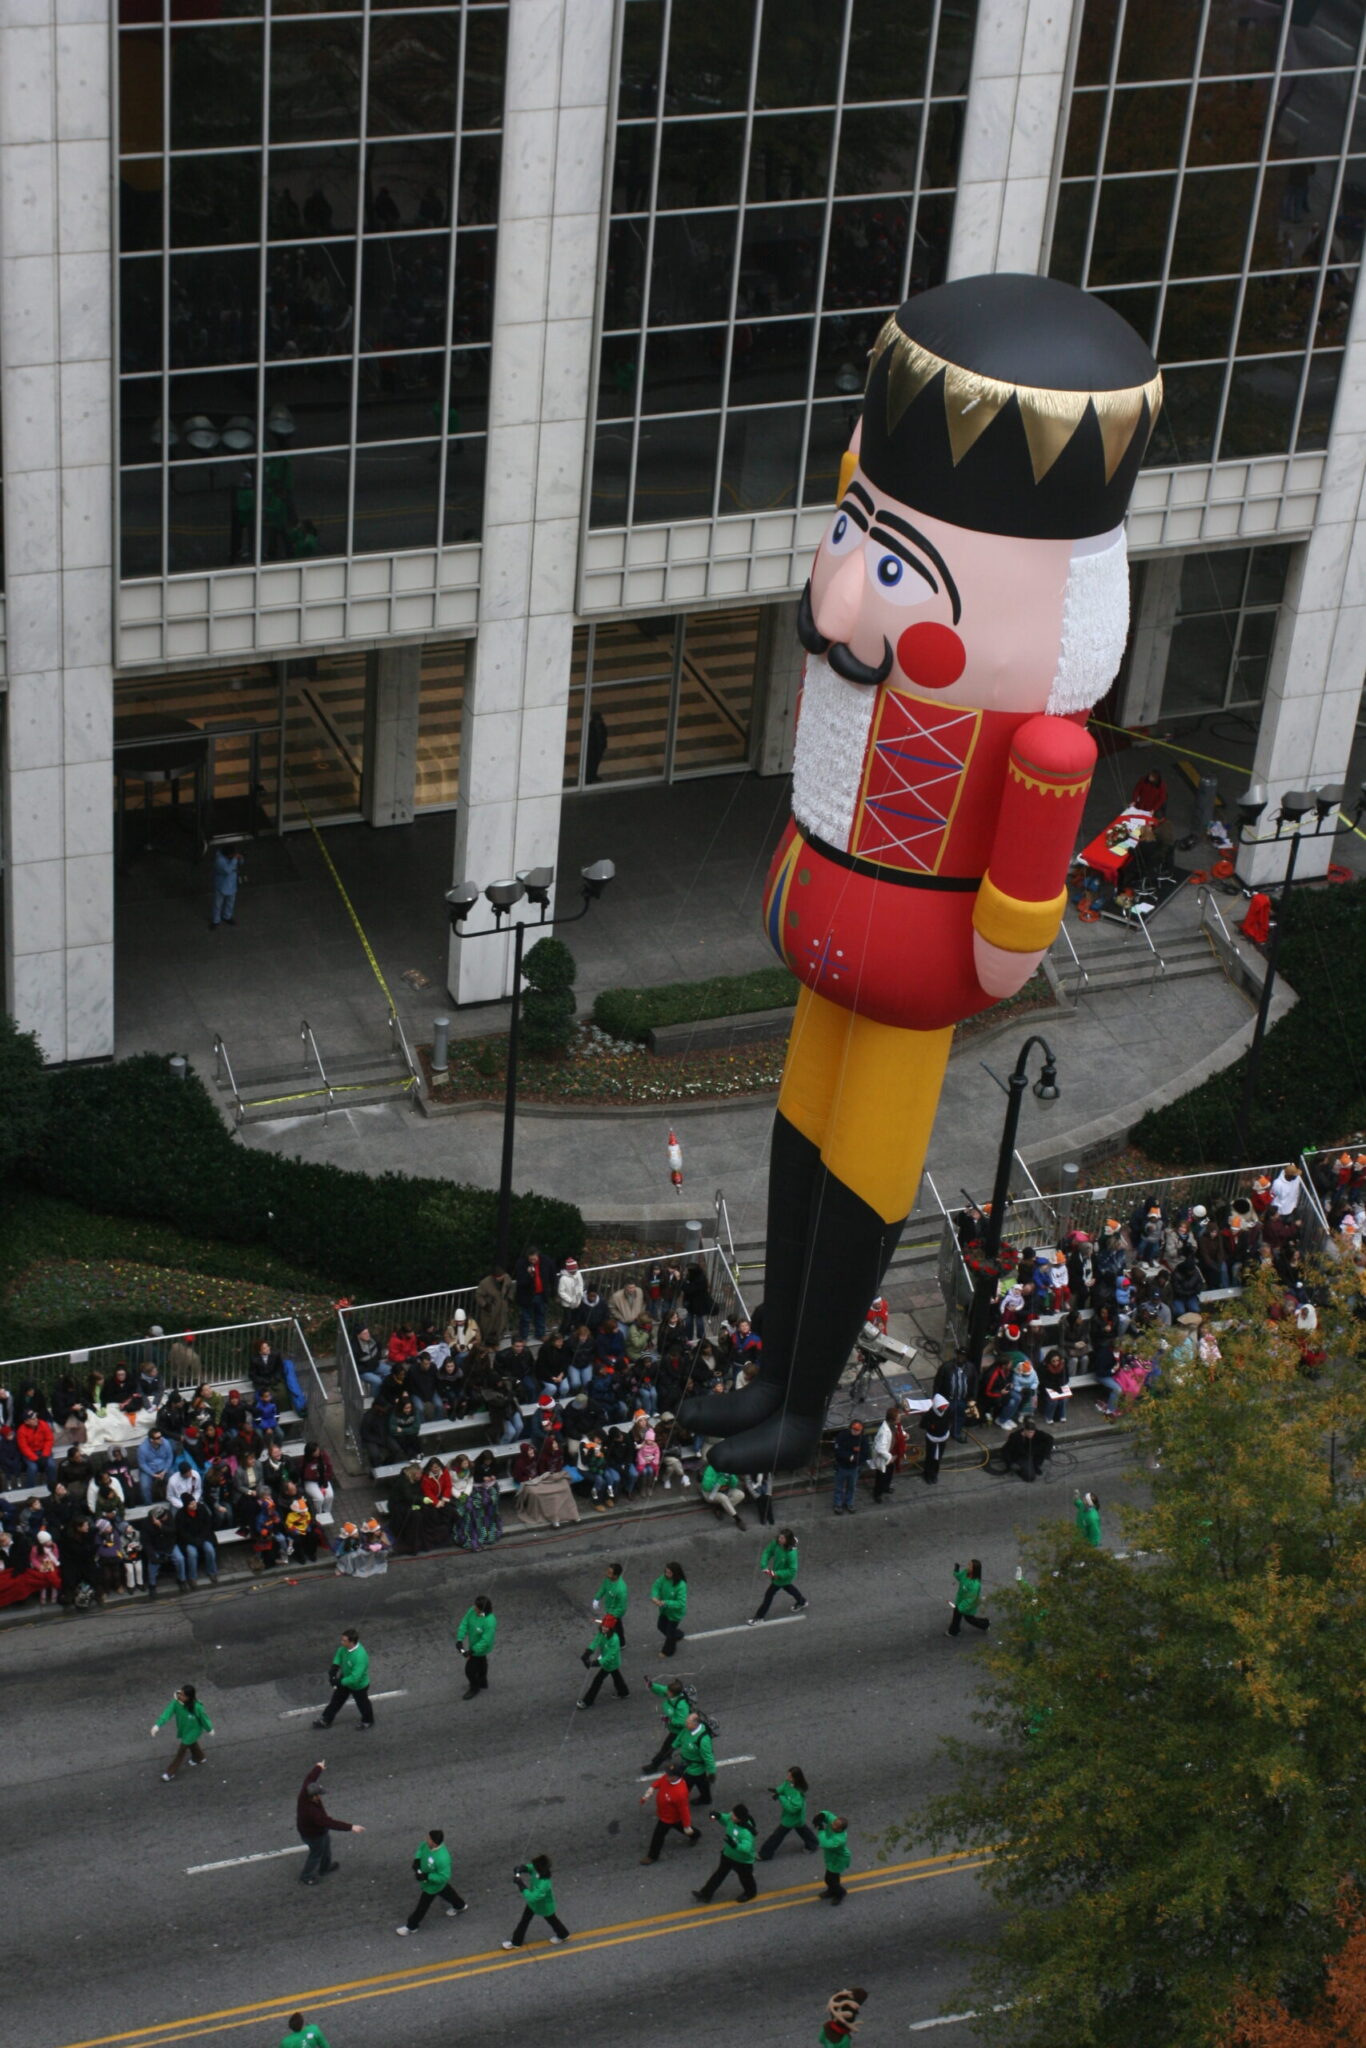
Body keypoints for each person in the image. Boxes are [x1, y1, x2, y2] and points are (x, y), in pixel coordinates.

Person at [677, 276, 1160, 1476]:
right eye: (850, 540)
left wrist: (997, 944)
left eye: (890, 569)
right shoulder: (862, 667)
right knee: (799, 1133)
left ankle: (799, 1400)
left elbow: (1024, 887)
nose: (840, 594)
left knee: (857, 1162)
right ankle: (773, 1362)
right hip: (830, 917)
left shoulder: (1042, 738)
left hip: (911, 955)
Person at [296, 1760, 364, 1884]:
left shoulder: (305, 1792)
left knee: (326, 1847)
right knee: (316, 1854)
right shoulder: (312, 1812)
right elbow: (330, 1823)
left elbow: (310, 1778)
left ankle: (325, 1868)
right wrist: (351, 1827)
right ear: (314, 1796)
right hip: (313, 1835)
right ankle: (306, 1876)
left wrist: (318, 1767)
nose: (321, 1796)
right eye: (319, 1795)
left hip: (318, 1831)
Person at [396, 1828, 467, 1935]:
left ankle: (411, 1926)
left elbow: (444, 1877)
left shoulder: (442, 1858)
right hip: (433, 1883)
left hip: (432, 1886)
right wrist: (417, 1860)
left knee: (422, 1906)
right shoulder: (427, 1845)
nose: (426, 1839)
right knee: (447, 1892)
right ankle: (460, 1905)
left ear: (433, 1843)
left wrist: (426, 1876)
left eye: (429, 1838)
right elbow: (421, 1848)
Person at [692, 1804, 759, 1903]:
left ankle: (750, 1893)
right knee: (719, 1874)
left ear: (740, 1818)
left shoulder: (746, 1832)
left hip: (742, 1860)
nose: (732, 1815)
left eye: (734, 1815)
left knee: (745, 1878)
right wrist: (718, 1816)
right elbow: (725, 1818)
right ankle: (706, 1893)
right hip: (728, 1854)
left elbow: (747, 1848)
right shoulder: (732, 1819)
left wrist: (735, 1846)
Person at [639, 1757, 700, 1862]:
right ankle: (695, 1834)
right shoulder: (668, 1778)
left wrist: (687, 1825)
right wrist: (651, 1789)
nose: (666, 1775)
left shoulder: (680, 1793)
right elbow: (659, 1782)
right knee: (680, 1827)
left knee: (658, 1836)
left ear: (676, 1776)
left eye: (669, 1775)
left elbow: (684, 1810)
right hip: (665, 1813)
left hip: (669, 1818)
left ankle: (652, 1856)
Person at [503, 1856, 570, 1948]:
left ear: (539, 1869)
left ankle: (563, 1934)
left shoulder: (544, 1884)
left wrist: (520, 1884)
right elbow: (531, 1867)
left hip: (543, 1906)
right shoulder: (539, 1870)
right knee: (525, 1921)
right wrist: (523, 1868)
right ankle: (516, 1942)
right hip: (535, 1905)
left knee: (552, 1920)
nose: (533, 1866)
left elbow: (531, 1897)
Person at [314, 1628, 374, 1729]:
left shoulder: (360, 1656)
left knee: (363, 1704)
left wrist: (338, 1682)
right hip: (345, 1679)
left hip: (358, 1686)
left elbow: (355, 1678)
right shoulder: (344, 1648)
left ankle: (368, 1720)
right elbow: (339, 1654)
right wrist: (335, 1666)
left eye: (344, 1640)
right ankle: (326, 1720)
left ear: (351, 1642)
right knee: (336, 1701)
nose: (341, 1642)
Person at [151, 1684, 214, 1780]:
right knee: (192, 1744)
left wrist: (209, 1729)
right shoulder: (176, 1703)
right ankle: (200, 1757)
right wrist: (157, 1725)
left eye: (183, 1695)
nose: (180, 1696)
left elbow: (204, 1719)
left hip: (193, 1731)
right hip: (185, 1730)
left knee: (182, 1751)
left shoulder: (197, 1707)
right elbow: (167, 1713)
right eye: (180, 1693)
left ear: (189, 1697)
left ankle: (170, 1773)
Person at [758, 1766, 820, 1859]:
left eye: (790, 1777)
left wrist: (780, 1797)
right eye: (788, 1775)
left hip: (793, 1817)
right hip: (794, 1818)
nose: (787, 1778)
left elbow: (792, 1809)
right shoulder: (788, 1783)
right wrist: (777, 1791)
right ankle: (813, 1844)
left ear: (796, 1778)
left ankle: (765, 1854)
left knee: (777, 1835)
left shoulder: (797, 1794)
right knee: (802, 1829)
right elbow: (783, 1787)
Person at [751, 1527, 807, 1622]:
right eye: (779, 1537)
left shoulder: (791, 1553)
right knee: (788, 1588)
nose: (779, 1539)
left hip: (781, 1578)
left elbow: (792, 1570)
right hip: (779, 1577)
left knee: (769, 1595)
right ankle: (802, 1601)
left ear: (787, 1540)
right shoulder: (776, 1543)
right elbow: (768, 1551)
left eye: (782, 1538)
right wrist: (764, 1564)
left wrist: (775, 1573)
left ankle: (759, 1617)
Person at [578, 1613, 630, 1708]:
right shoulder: (602, 1633)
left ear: (611, 1628)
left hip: (610, 1663)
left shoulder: (614, 1639)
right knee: (616, 1676)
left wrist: (596, 1663)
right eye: (603, 1626)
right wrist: (588, 1652)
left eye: (606, 1627)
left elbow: (610, 1655)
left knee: (597, 1681)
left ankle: (587, 1701)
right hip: (608, 1662)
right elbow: (595, 1642)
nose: (604, 1628)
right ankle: (623, 1692)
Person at [642, 1675, 692, 1772]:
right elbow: (661, 1689)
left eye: (668, 1691)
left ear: (672, 1693)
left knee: (666, 1747)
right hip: (675, 1729)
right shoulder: (673, 1694)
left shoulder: (682, 1706)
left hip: (679, 1732)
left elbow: (682, 1722)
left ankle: (653, 1766)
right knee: (671, 1746)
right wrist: (652, 1685)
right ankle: (669, 1755)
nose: (666, 1692)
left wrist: (669, 1720)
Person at [457, 1594, 496, 1698]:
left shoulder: (489, 1621)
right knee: (481, 1661)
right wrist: (460, 1639)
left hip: (480, 1648)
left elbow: (486, 1640)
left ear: (483, 1609)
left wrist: (472, 1651)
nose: (474, 1609)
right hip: (474, 1644)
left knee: (469, 1670)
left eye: (477, 1608)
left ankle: (475, 1687)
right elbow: (465, 1623)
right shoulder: (473, 1611)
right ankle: (483, 1680)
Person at [676, 1711, 717, 1809]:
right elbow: (680, 1738)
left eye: (688, 1723)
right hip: (689, 1765)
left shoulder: (703, 1740)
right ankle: (706, 1798)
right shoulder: (687, 1730)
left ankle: (679, 1803)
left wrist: (711, 1773)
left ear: (695, 1724)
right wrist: (673, 1746)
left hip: (694, 1769)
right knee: (702, 1783)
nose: (685, 1724)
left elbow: (708, 1757)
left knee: (684, 1786)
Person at [814, 1810, 852, 1904]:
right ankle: (832, 1891)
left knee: (830, 1879)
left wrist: (821, 1829)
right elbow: (828, 1815)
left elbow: (824, 1843)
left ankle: (840, 1893)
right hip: (832, 1857)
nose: (832, 1825)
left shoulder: (839, 1839)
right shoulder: (834, 1822)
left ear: (841, 1829)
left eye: (836, 1826)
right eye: (834, 1823)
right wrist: (821, 1815)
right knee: (833, 1878)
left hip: (838, 1859)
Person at [651, 1561, 688, 1656]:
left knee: (670, 1633)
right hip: (665, 1610)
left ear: (675, 1573)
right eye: (666, 1571)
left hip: (675, 1613)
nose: (666, 1574)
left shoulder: (681, 1585)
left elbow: (680, 1603)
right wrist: (654, 1596)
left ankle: (668, 1651)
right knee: (661, 1626)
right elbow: (656, 1586)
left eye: (669, 1572)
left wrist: (665, 1602)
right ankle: (678, 1635)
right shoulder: (663, 1578)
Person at [831, 1420, 867, 1514]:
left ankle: (849, 1502)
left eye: (858, 1430)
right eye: (854, 1429)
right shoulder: (842, 1436)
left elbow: (866, 1453)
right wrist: (848, 1457)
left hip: (854, 1468)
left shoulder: (863, 1439)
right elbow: (837, 1450)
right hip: (842, 1466)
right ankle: (838, 1504)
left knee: (851, 1487)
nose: (855, 1431)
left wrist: (856, 1459)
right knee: (839, 1486)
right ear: (850, 1428)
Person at [700, 1456, 747, 1528]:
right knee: (724, 1498)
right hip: (710, 1493)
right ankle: (738, 1519)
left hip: (724, 1490)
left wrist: (732, 1478)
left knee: (740, 1494)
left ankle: (719, 1508)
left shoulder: (728, 1468)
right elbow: (706, 1487)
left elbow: (734, 1485)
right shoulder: (710, 1469)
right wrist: (719, 1481)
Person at [1002, 1416, 1053, 1482]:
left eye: (1032, 1432)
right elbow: (1005, 1450)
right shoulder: (1015, 1437)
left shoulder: (1037, 1433)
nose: (1031, 1434)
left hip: (1031, 1453)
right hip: (1021, 1456)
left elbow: (1050, 1439)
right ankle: (1020, 1471)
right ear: (1024, 1430)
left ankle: (1035, 1465)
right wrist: (1010, 1463)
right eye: (1029, 1432)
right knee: (1030, 1478)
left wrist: (1047, 1454)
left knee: (1043, 1446)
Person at [948, 1559, 989, 1637]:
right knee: (966, 1618)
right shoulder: (966, 1573)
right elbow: (959, 1577)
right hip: (961, 1601)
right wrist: (956, 1571)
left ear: (975, 1569)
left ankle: (954, 1631)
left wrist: (960, 1607)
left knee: (968, 1619)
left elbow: (971, 1599)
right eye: (968, 1564)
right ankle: (954, 1630)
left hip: (968, 1606)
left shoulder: (975, 1585)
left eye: (970, 1566)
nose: (967, 1567)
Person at [593, 1560, 628, 1647]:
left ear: (615, 1575)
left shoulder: (621, 1589)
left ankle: (615, 1644)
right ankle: (621, 1643)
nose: (606, 1573)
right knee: (617, 1627)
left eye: (609, 1572)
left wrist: (612, 1616)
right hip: (609, 1610)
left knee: (609, 1628)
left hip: (615, 1613)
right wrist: (597, 1598)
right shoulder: (608, 1580)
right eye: (607, 1571)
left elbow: (622, 1607)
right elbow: (603, 1588)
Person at [210, 846, 244, 928]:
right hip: (221, 885)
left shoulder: (232, 857)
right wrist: (235, 859)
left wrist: (241, 858)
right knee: (218, 904)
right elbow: (227, 870)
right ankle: (216, 920)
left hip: (232, 884)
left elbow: (241, 863)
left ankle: (227, 916)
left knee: (230, 902)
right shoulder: (219, 860)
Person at [920, 1394, 951, 1483]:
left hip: (943, 1438)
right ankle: (927, 1474)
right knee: (930, 1457)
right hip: (932, 1439)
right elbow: (922, 1425)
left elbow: (951, 1419)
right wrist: (931, 1426)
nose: (943, 1409)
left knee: (939, 1457)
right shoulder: (929, 1414)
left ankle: (934, 1474)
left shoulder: (947, 1411)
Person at [869, 1406, 898, 1501]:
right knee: (881, 1476)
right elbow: (880, 1449)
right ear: (892, 1420)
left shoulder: (892, 1426)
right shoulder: (884, 1432)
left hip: (889, 1454)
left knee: (889, 1473)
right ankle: (877, 1494)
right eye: (897, 1418)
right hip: (884, 1457)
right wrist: (890, 1458)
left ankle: (886, 1487)